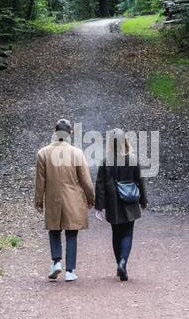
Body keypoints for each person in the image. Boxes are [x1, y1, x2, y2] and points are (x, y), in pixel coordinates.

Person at [35, 119, 95, 281]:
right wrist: (91, 198)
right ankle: (70, 271)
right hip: (73, 198)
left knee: (54, 230)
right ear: (70, 133)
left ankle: (56, 262)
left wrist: (39, 201)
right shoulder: (77, 153)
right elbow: (85, 180)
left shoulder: (43, 153)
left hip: (53, 198)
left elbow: (40, 181)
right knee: (71, 233)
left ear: (54, 131)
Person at [94, 128, 148, 281]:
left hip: (113, 202)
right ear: (125, 141)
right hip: (130, 200)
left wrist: (99, 206)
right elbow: (140, 181)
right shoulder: (132, 159)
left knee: (116, 233)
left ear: (110, 143)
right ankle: (123, 262)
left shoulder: (105, 161)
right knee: (127, 233)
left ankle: (119, 262)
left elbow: (100, 184)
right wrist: (143, 201)